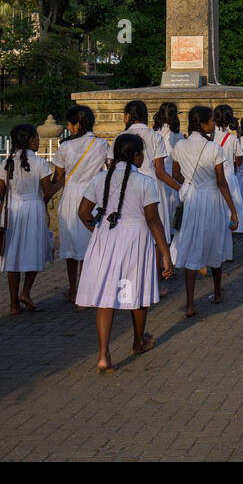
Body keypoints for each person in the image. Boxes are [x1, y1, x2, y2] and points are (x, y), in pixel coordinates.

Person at [76, 133, 174, 371]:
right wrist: (165, 254)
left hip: (106, 237)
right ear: (137, 156)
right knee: (137, 293)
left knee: (105, 298)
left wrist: (97, 230)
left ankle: (103, 354)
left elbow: (83, 212)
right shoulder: (145, 183)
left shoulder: (100, 179)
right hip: (135, 239)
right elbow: (153, 221)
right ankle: (138, 342)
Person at [171, 107, 238, 315]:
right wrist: (233, 209)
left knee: (191, 246)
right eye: (210, 122)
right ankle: (217, 291)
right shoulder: (213, 148)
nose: (213, 125)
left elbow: (175, 173)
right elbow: (221, 182)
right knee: (215, 242)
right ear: (201, 124)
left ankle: (190, 303)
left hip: (192, 199)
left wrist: (189, 183)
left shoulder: (180, 145)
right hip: (212, 200)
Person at [0, 123, 54, 314]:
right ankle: (26, 292)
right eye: (37, 138)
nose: (38, 141)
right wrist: (60, 183)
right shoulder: (40, 163)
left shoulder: (7, 163)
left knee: (12, 255)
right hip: (34, 209)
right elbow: (47, 191)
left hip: (12, 211)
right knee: (35, 250)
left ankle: (14, 304)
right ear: (31, 140)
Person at [49, 105, 111, 306]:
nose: (68, 128)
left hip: (71, 195)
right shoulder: (102, 145)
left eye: (69, 124)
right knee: (88, 245)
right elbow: (111, 170)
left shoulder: (66, 147)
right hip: (93, 197)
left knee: (71, 246)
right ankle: (87, 290)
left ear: (77, 124)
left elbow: (58, 176)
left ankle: (74, 289)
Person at [121, 100, 180, 236]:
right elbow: (160, 171)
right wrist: (180, 188)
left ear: (128, 116)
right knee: (156, 232)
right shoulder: (154, 136)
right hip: (152, 186)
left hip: (127, 185)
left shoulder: (121, 137)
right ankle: (159, 257)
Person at [213, 105, 243, 246]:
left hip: (213, 178)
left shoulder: (209, 137)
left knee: (216, 213)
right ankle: (228, 248)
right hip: (229, 177)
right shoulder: (232, 139)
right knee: (230, 212)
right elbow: (239, 161)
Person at [152, 103, 185, 239]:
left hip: (156, 174)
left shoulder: (154, 132)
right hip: (172, 175)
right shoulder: (178, 135)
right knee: (172, 206)